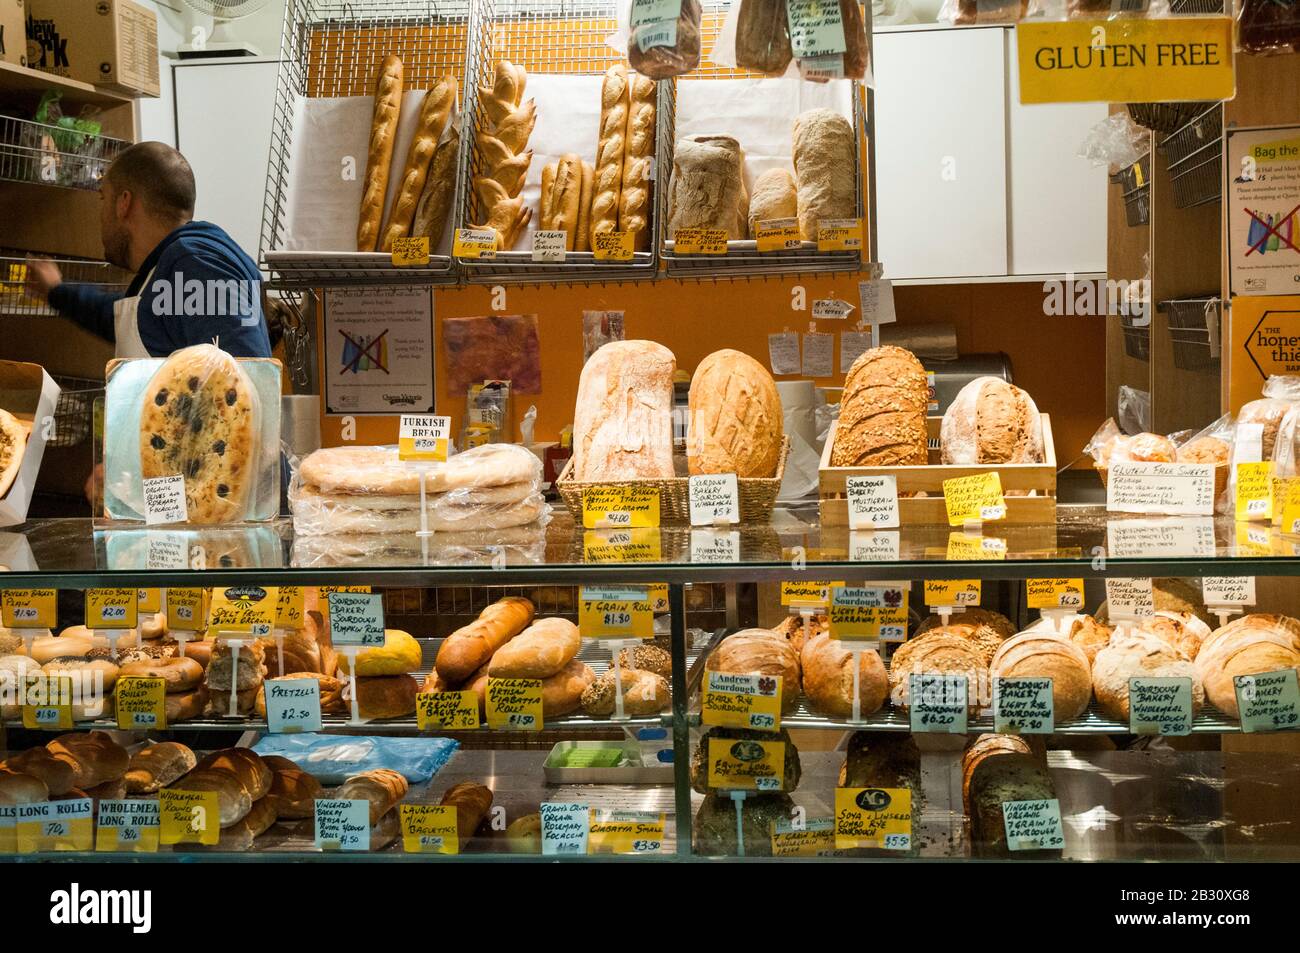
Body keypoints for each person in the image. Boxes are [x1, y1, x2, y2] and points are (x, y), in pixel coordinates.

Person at [24, 140, 271, 359]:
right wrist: (56, 291)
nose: (100, 215)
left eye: (103, 198)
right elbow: (124, 320)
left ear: (124, 203)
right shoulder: (173, 269)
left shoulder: (196, 266)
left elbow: (241, 382)